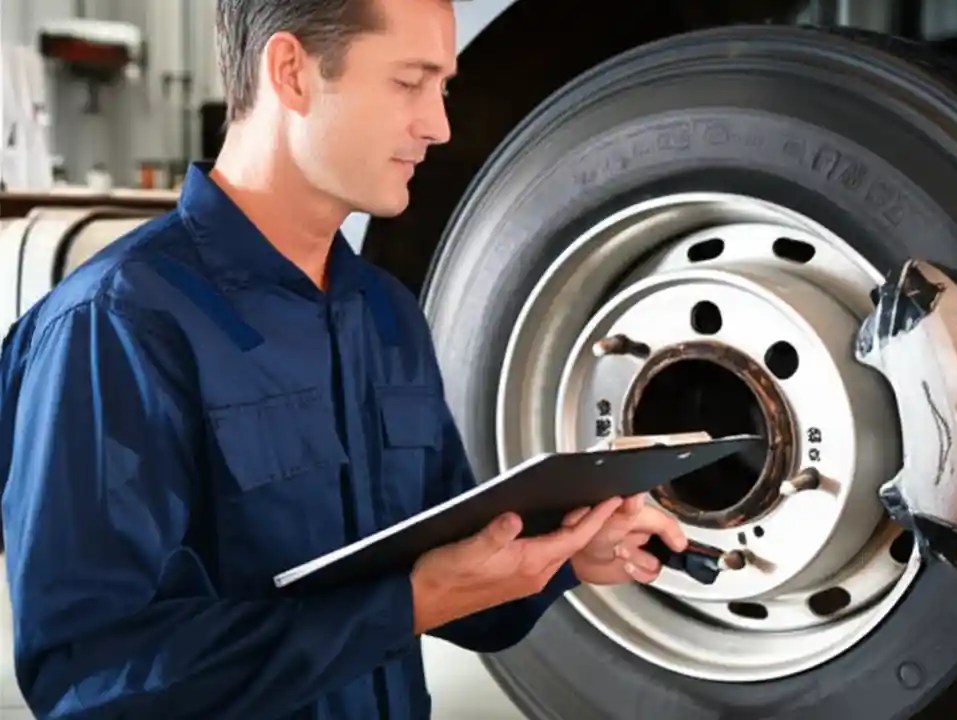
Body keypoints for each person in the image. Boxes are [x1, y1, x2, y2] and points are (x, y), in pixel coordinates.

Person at [0, 0, 688, 717]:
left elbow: (444, 579)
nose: (439, 125)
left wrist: (564, 557)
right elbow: (93, 682)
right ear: (292, 73)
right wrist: (407, 604)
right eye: (408, 83)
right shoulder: (116, 325)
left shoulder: (386, 314)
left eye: (442, 87)